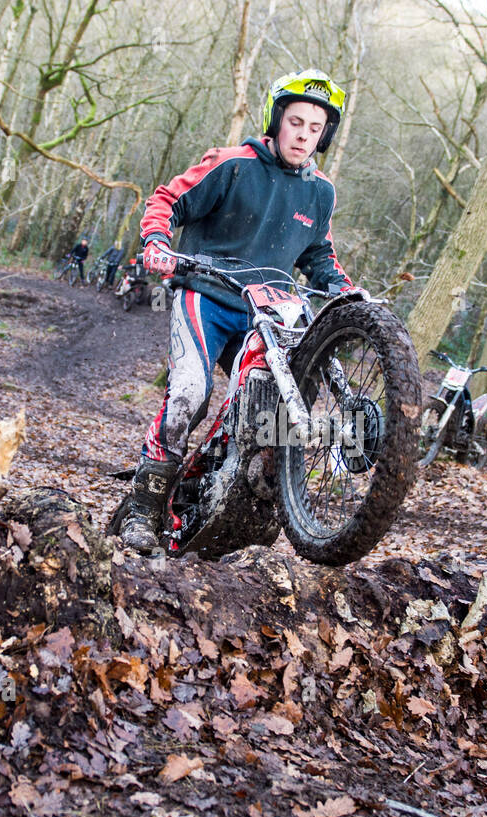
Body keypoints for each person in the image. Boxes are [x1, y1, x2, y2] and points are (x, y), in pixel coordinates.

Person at [119, 69, 355, 553]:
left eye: (315, 128)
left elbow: (319, 257)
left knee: (270, 411)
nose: (304, 135)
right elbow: (166, 200)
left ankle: (225, 496)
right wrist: (157, 242)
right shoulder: (231, 164)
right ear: (276, 120)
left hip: (265, 314)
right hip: (206, 293)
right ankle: (142, 507)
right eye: (296, 122)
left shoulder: (320, 193)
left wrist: (344, 293)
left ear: (324, 135)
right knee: (189, 393)